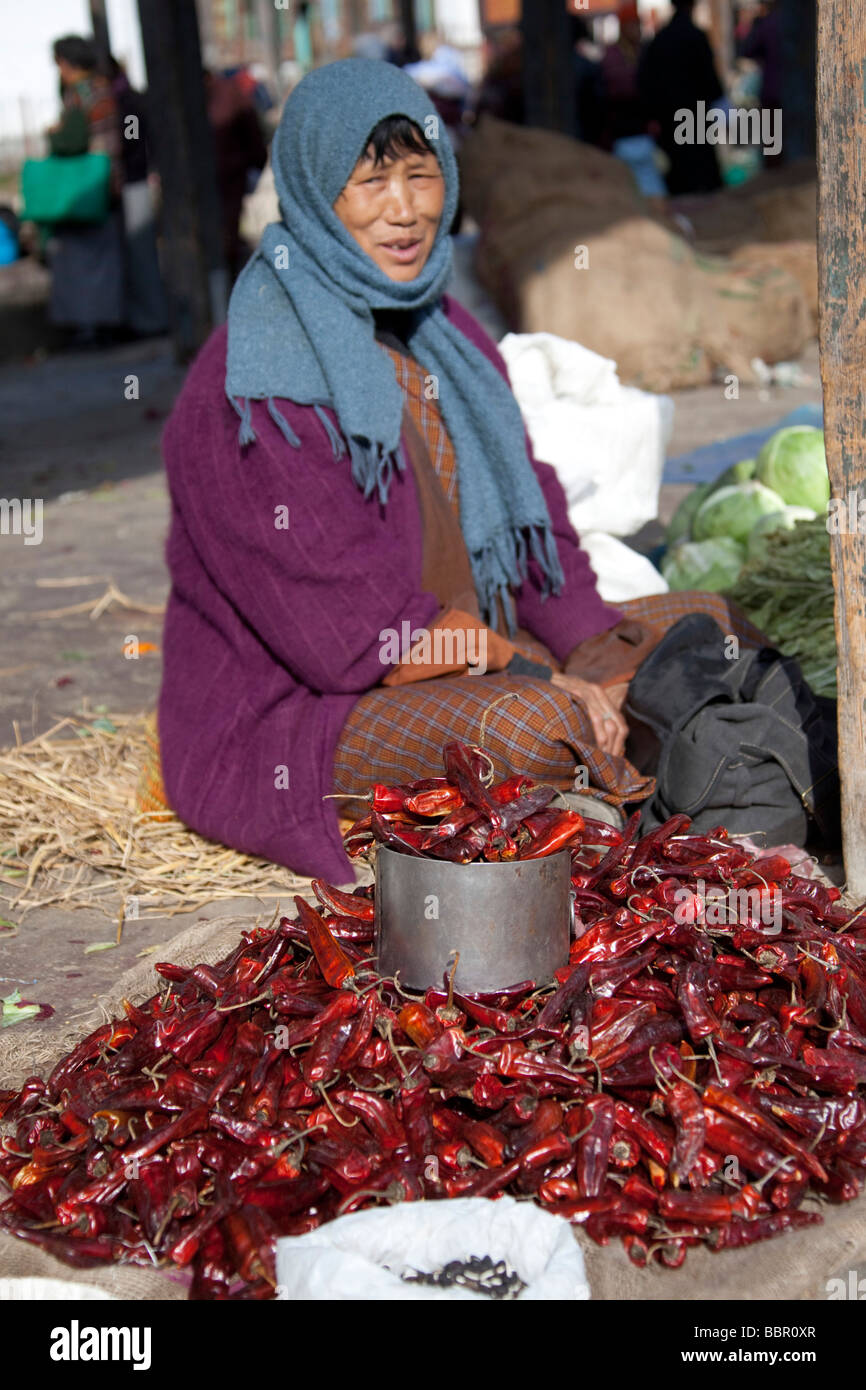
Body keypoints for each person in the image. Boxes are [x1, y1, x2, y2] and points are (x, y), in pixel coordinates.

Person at [156, 59, 763, 882]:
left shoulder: (445, 334)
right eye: (370, 183)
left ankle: (705, 784)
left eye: (421, 173)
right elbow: (357, 641)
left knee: (717, 624)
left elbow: (534, 524)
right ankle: (652, 791)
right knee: (540, 727)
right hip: (308, 714)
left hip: (469, 650)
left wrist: (595, 650)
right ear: (311, 192)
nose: (405, 210)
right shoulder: (257, 382)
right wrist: (550, 677)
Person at [47, 34, 125, 344]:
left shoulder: (79, 95)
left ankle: (90, 328)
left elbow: (72, 141)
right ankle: (106, 322)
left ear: (66, 63)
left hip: (86, 187)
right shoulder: (103, 89)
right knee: (104, 260)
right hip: (106, 182)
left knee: (83, 261)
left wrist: (54, 134)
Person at [638, 0, 725, 195]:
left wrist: (652, 115)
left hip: (670, 121)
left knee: (679, 180)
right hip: (696, 118)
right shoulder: (696, 36)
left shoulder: (659, 39)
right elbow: (710, 79)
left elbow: (646, 83)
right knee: (703, 179)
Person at [599, 3, 667, 203]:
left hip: (643, 135)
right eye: (632, 25)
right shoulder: (615, 57)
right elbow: (622, 92)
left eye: (638, 25)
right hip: (625, 136)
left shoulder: (642, 53)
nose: (636, 30)